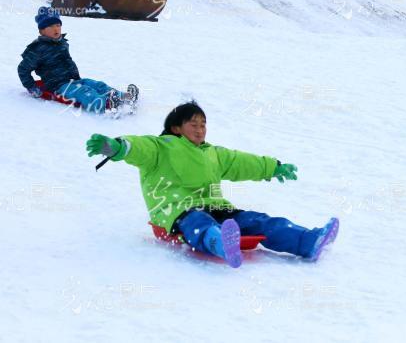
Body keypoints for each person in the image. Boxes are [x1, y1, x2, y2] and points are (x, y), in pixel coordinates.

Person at [84, 102, 339, 268]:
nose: (200, 129)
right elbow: (137, 148)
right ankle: (220, 243)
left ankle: (308, 241)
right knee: (199, 223)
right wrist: (113, 147)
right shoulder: (161, 147)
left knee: (258, 220)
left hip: (216, 207)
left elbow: (242, 162)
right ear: (176, 128)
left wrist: (274, 167)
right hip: (177, 212)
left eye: (203, 124)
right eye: (193, 124)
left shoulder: (212, 153)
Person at [18, 7, 138, 114]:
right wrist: (31, 87)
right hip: (57, 86)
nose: (56, 29)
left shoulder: (62, 43)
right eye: (50, 26)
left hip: (73, 79)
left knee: (95, 84)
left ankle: (123, 96)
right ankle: (106, 104)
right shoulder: (36, 49)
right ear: (42, 30)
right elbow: (23, 69)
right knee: (84, 92)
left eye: (58, 25)